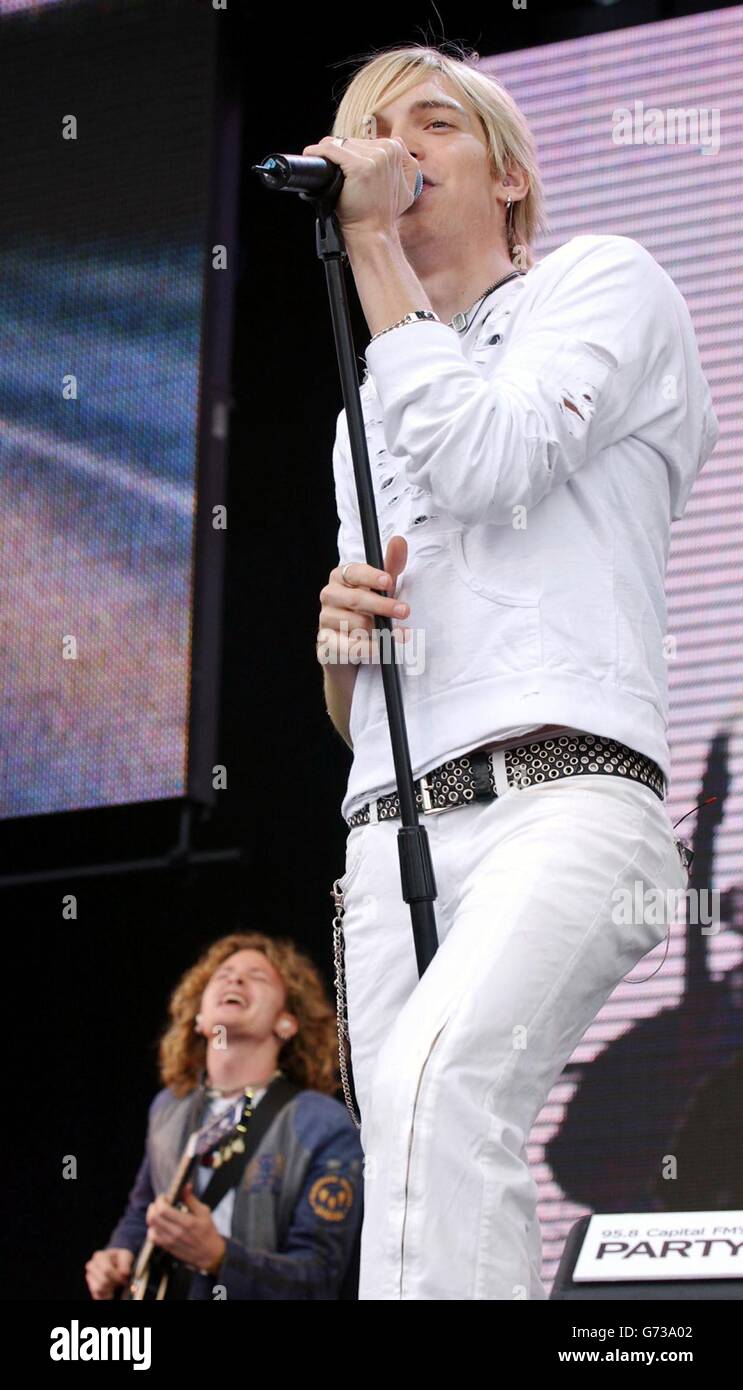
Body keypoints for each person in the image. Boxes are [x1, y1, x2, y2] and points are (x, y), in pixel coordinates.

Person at [310, 43, 720, 1299]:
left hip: (565, 798)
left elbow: (495, 461)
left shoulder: (603, 284)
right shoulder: (362, 409)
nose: (397, 150)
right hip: (393, 831)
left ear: (512, 183)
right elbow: (362, 711)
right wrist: (343, 641)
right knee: (412, 1164)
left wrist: (372, 251)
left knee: (446, 1084)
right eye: (373, 132)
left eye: (431, 124)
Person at [85, 932, 363, 1300]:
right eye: (224, 974)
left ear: (287, 1023)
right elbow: (143, 1212)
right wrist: (119, 1254)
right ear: (201, 1018)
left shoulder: (324, 1125)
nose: (234, 979)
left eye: (257, 977)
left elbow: (320, 1278)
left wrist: (219, 1257)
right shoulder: (168, 1108)